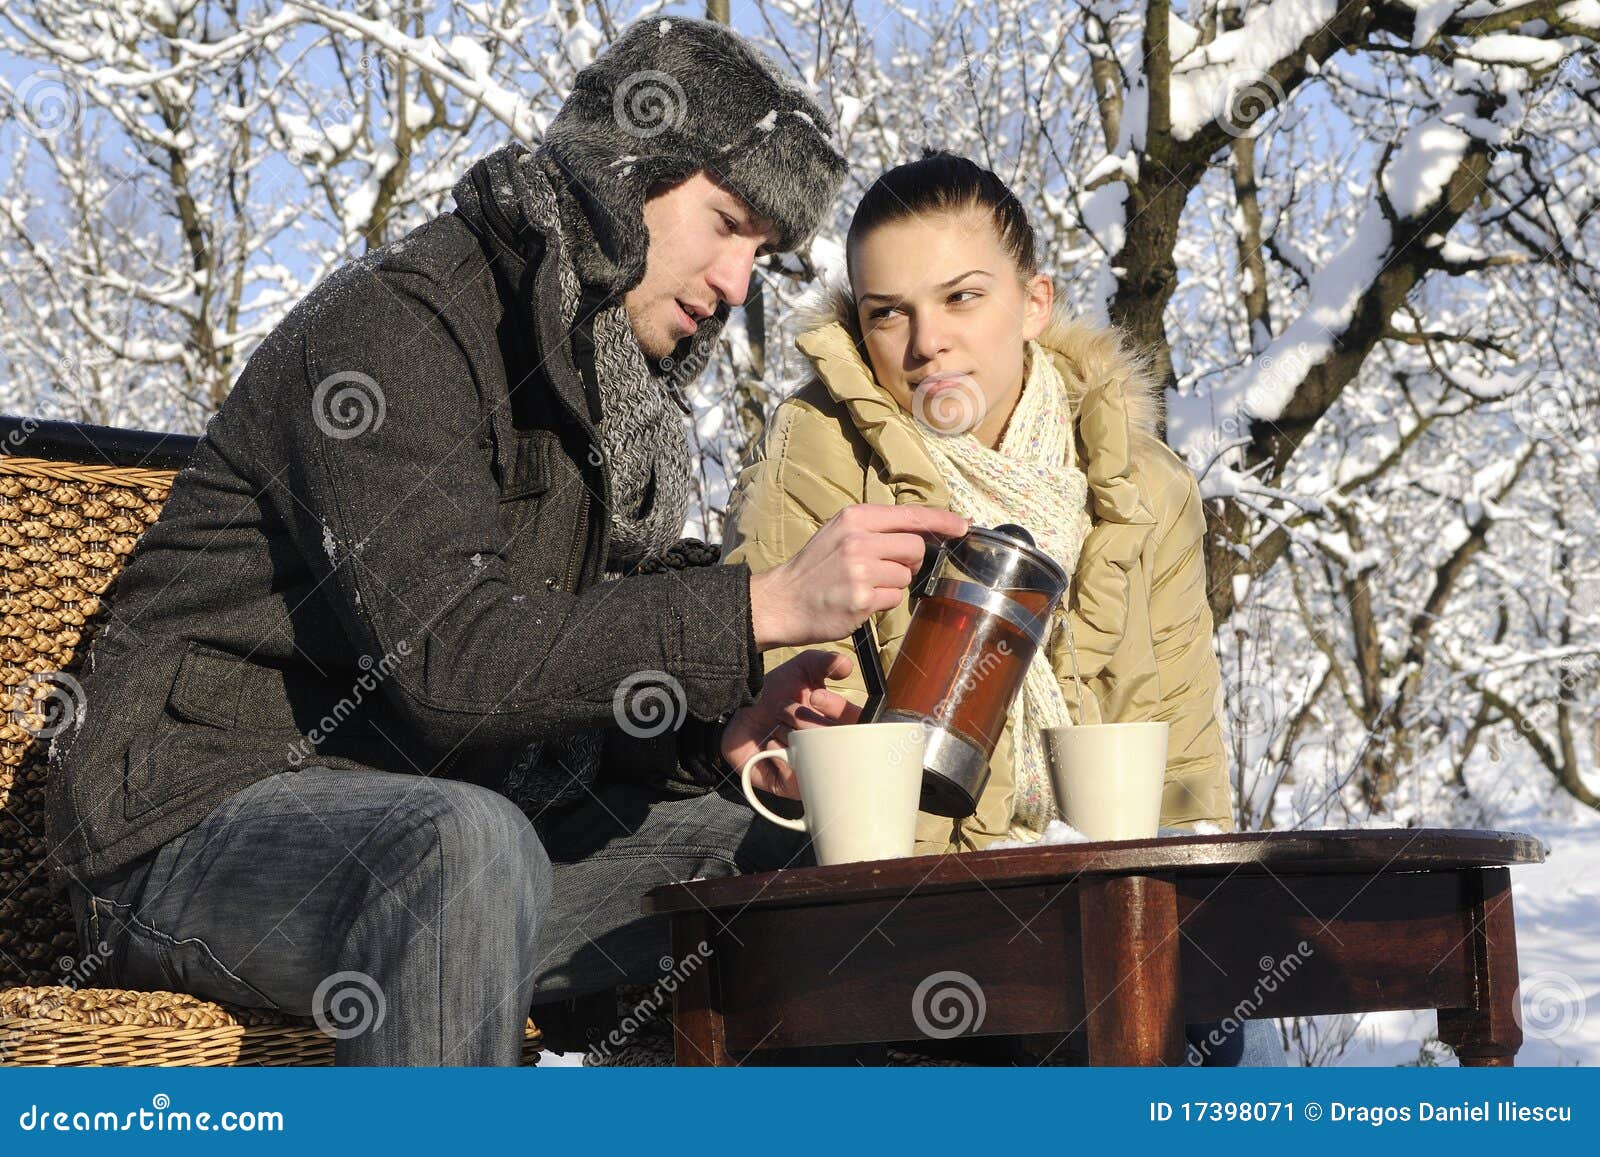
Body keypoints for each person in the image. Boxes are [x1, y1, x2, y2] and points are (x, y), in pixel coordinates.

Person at [46, 18, 967, 1066]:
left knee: (797, 861)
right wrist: (754, 606)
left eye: (764, 252)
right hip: (197, 821)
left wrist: (714, 722)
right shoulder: (402, 326)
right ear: (627, 172)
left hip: (453, 828)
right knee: (458, 852)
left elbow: (553, 664)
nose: (736, 284)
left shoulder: (601, 377)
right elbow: (453, 663)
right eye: (726, 224)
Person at [723, 151, 1283, 1066]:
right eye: (887, 312)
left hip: (1103, 902)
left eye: (962, 298)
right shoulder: (817, 447)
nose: (926, 341)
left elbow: (1183, 749)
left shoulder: (1145, 485)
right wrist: (796, 738)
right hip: (901, 912)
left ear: (1035, 302)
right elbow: (778, 692)